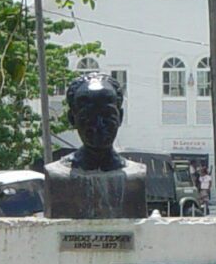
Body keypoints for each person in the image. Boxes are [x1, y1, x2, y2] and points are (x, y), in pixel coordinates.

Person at [44, 73, 149, 218]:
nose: (99, 125)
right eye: (88, 116)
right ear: (72, 118)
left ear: (120, 117)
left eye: (107, 115)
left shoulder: (135, 176)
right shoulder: (56, 175)